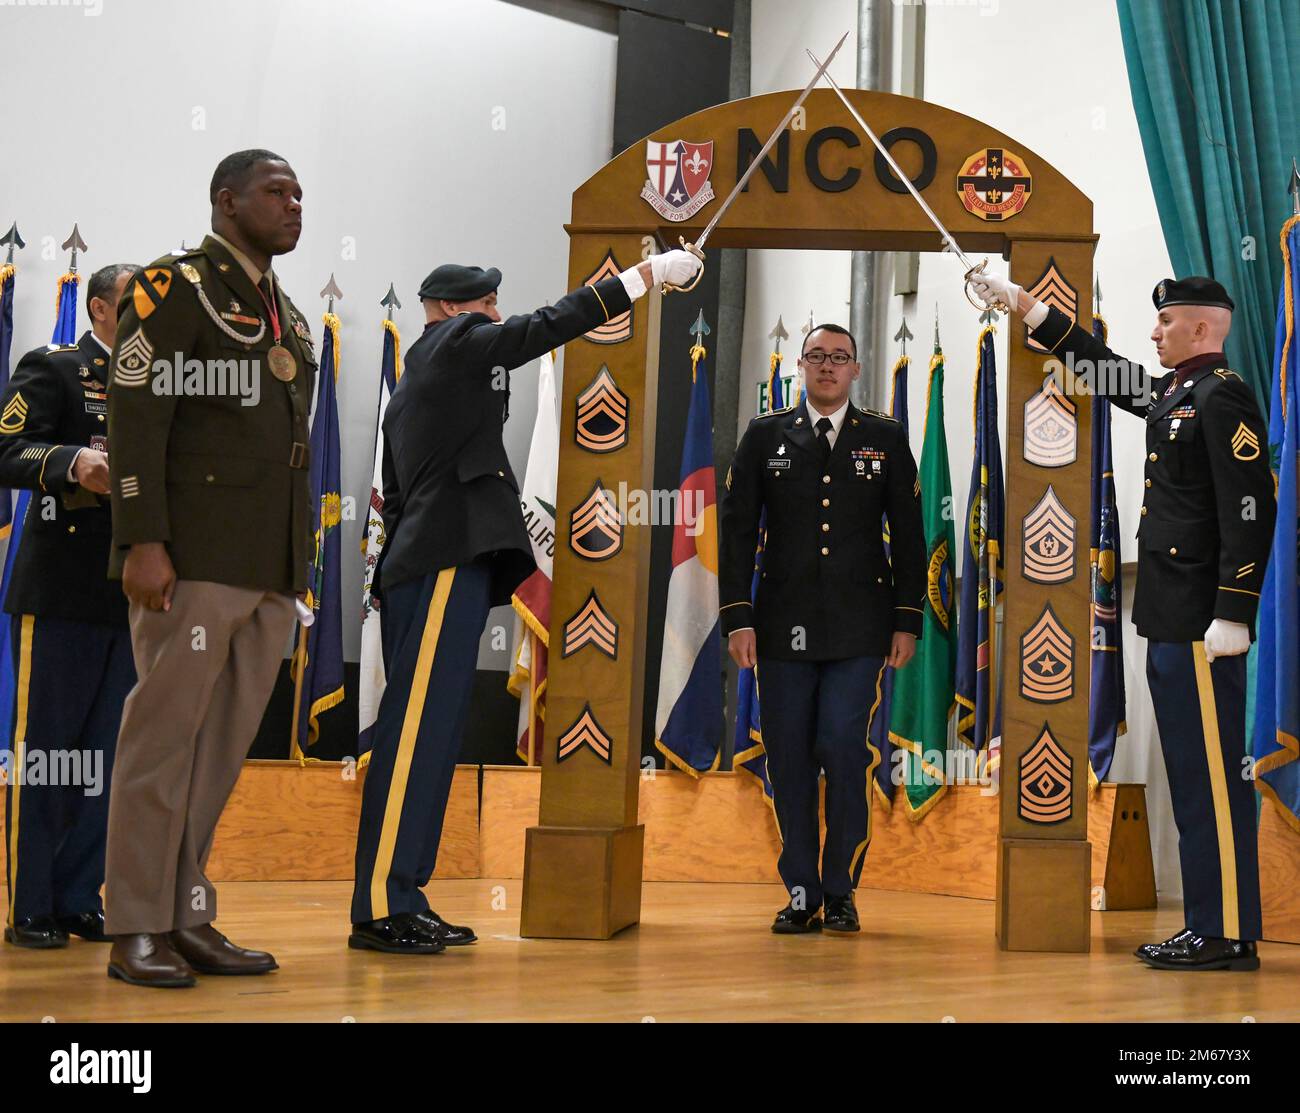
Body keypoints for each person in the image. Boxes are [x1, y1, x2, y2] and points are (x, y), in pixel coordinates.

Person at [348, 248, 702, 954]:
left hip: (442, 558)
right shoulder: (452, 343)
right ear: (455, 310)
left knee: (435, 734)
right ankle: (383, 901)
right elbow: (540, 327)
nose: (497, 320)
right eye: (487, 309)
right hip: (444, 555)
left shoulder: (423, 376)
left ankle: (403, 893)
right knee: (417, 732)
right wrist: (644, 278)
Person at [971, 270, 1275, 971]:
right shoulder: (1175, 394)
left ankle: (1225, 929)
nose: (1153, 332)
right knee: (1192, 776)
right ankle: (1209, 923)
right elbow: (1105, 371)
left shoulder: (1222, 397)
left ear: (1202, 327)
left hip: (1205, 624)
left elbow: (1250, 507)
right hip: (1170, 620)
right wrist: (1026, 307)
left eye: (1165, 323)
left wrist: (1236, 609)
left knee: (1212, 781)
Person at [103, 149, 316, 987]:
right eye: (276, 191)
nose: (294, 204)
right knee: (160, 746)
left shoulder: (287, 312)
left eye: (300, 193)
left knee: (218, 754)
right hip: (190, 555)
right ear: (227, 201)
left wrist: (295, 565)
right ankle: (134, 926)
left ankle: (187, 911)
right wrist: (142, 537)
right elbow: (135, 409)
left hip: (264, 563)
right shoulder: (175, 285)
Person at [718, 323, 925, 934]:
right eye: (817, 357)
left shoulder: (883, 438)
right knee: (788, 757)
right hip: (781, 629)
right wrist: (737, 617)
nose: (827, 367)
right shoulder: (765, 438)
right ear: (801, 366)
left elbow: (910, 538)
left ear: (856, 370)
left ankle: (841, 888)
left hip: (860, 629)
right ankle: (802, 890)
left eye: (839, 358)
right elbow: (734, 535)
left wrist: (907, 620)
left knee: (840, 746)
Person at [0, 263, 137, 949]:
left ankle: (82, 894)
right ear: (102, 310)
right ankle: (31, 903)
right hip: (61, 590)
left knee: (104, 759)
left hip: (133, 597)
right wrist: (68, 461)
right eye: (136, 302)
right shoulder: (55, 368)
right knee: (47, 754)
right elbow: (6, 449)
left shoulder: (160, 383)